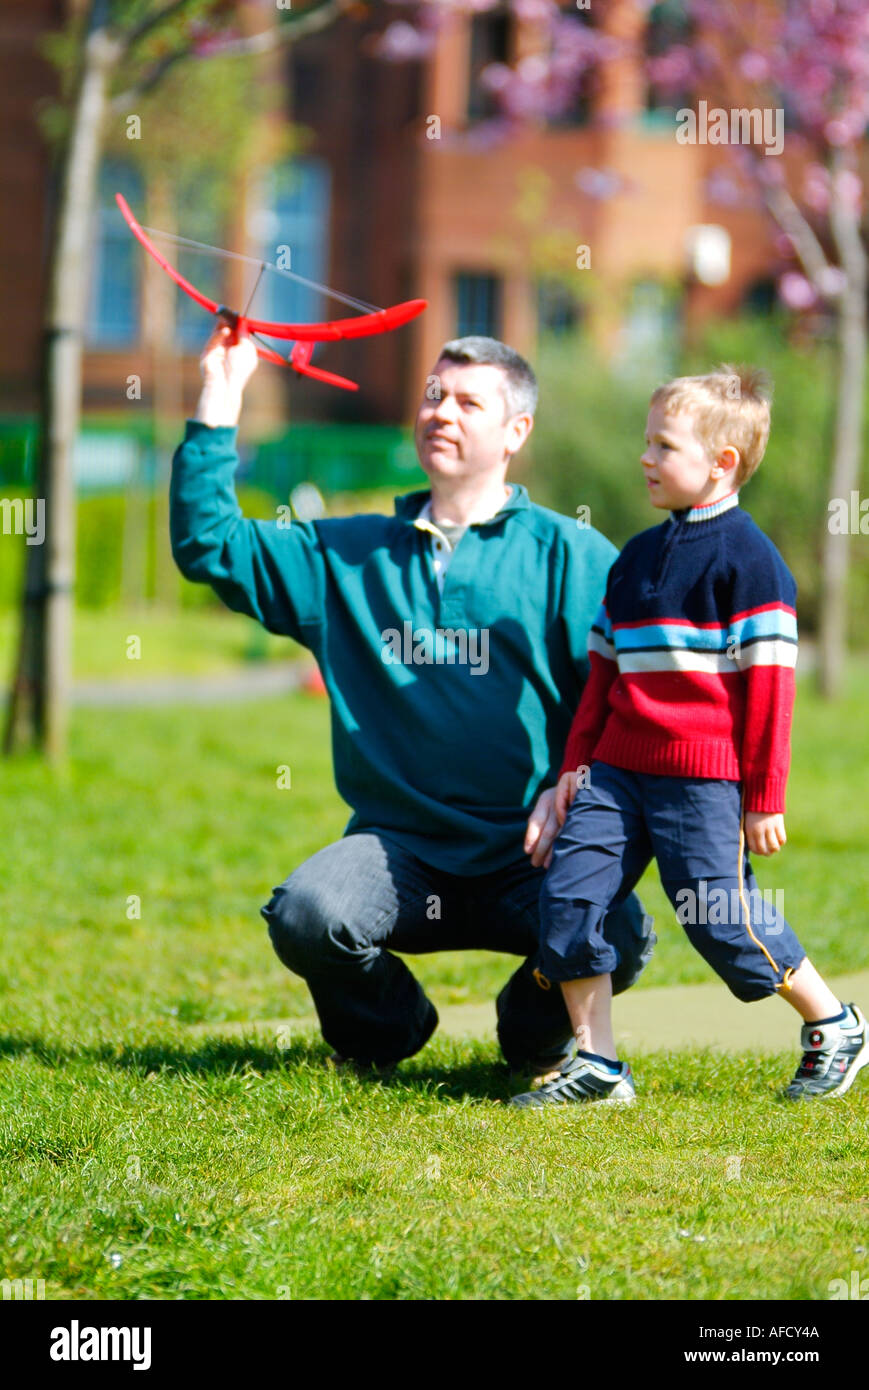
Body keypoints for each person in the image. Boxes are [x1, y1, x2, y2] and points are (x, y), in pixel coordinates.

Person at [169, 325, 655, 1074]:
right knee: (308, 914)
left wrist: (575, 790)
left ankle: (531, 1038)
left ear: (515, 430)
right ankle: (385, 1033)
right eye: (433, 395)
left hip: (530, 854)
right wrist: (219, 395)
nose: (441, 412)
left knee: (619, 934)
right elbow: (210, 545)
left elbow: (629, 702)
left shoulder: (571, 556)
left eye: (468, 401)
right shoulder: (345, 554)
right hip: (397, 854)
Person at [511, 365, 867, 1108]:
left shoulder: (752, 563)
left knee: (718, 916)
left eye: (662, 446)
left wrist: (762, 798)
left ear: (720, 463)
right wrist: (575, 767)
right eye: (646, 442)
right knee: (570, 895)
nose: (643, 458)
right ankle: (598, 1065)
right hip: (613, 771)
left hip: (705, 779)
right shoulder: (634, 559)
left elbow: (769, 694)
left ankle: (833, 1024)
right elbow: (600, 683)